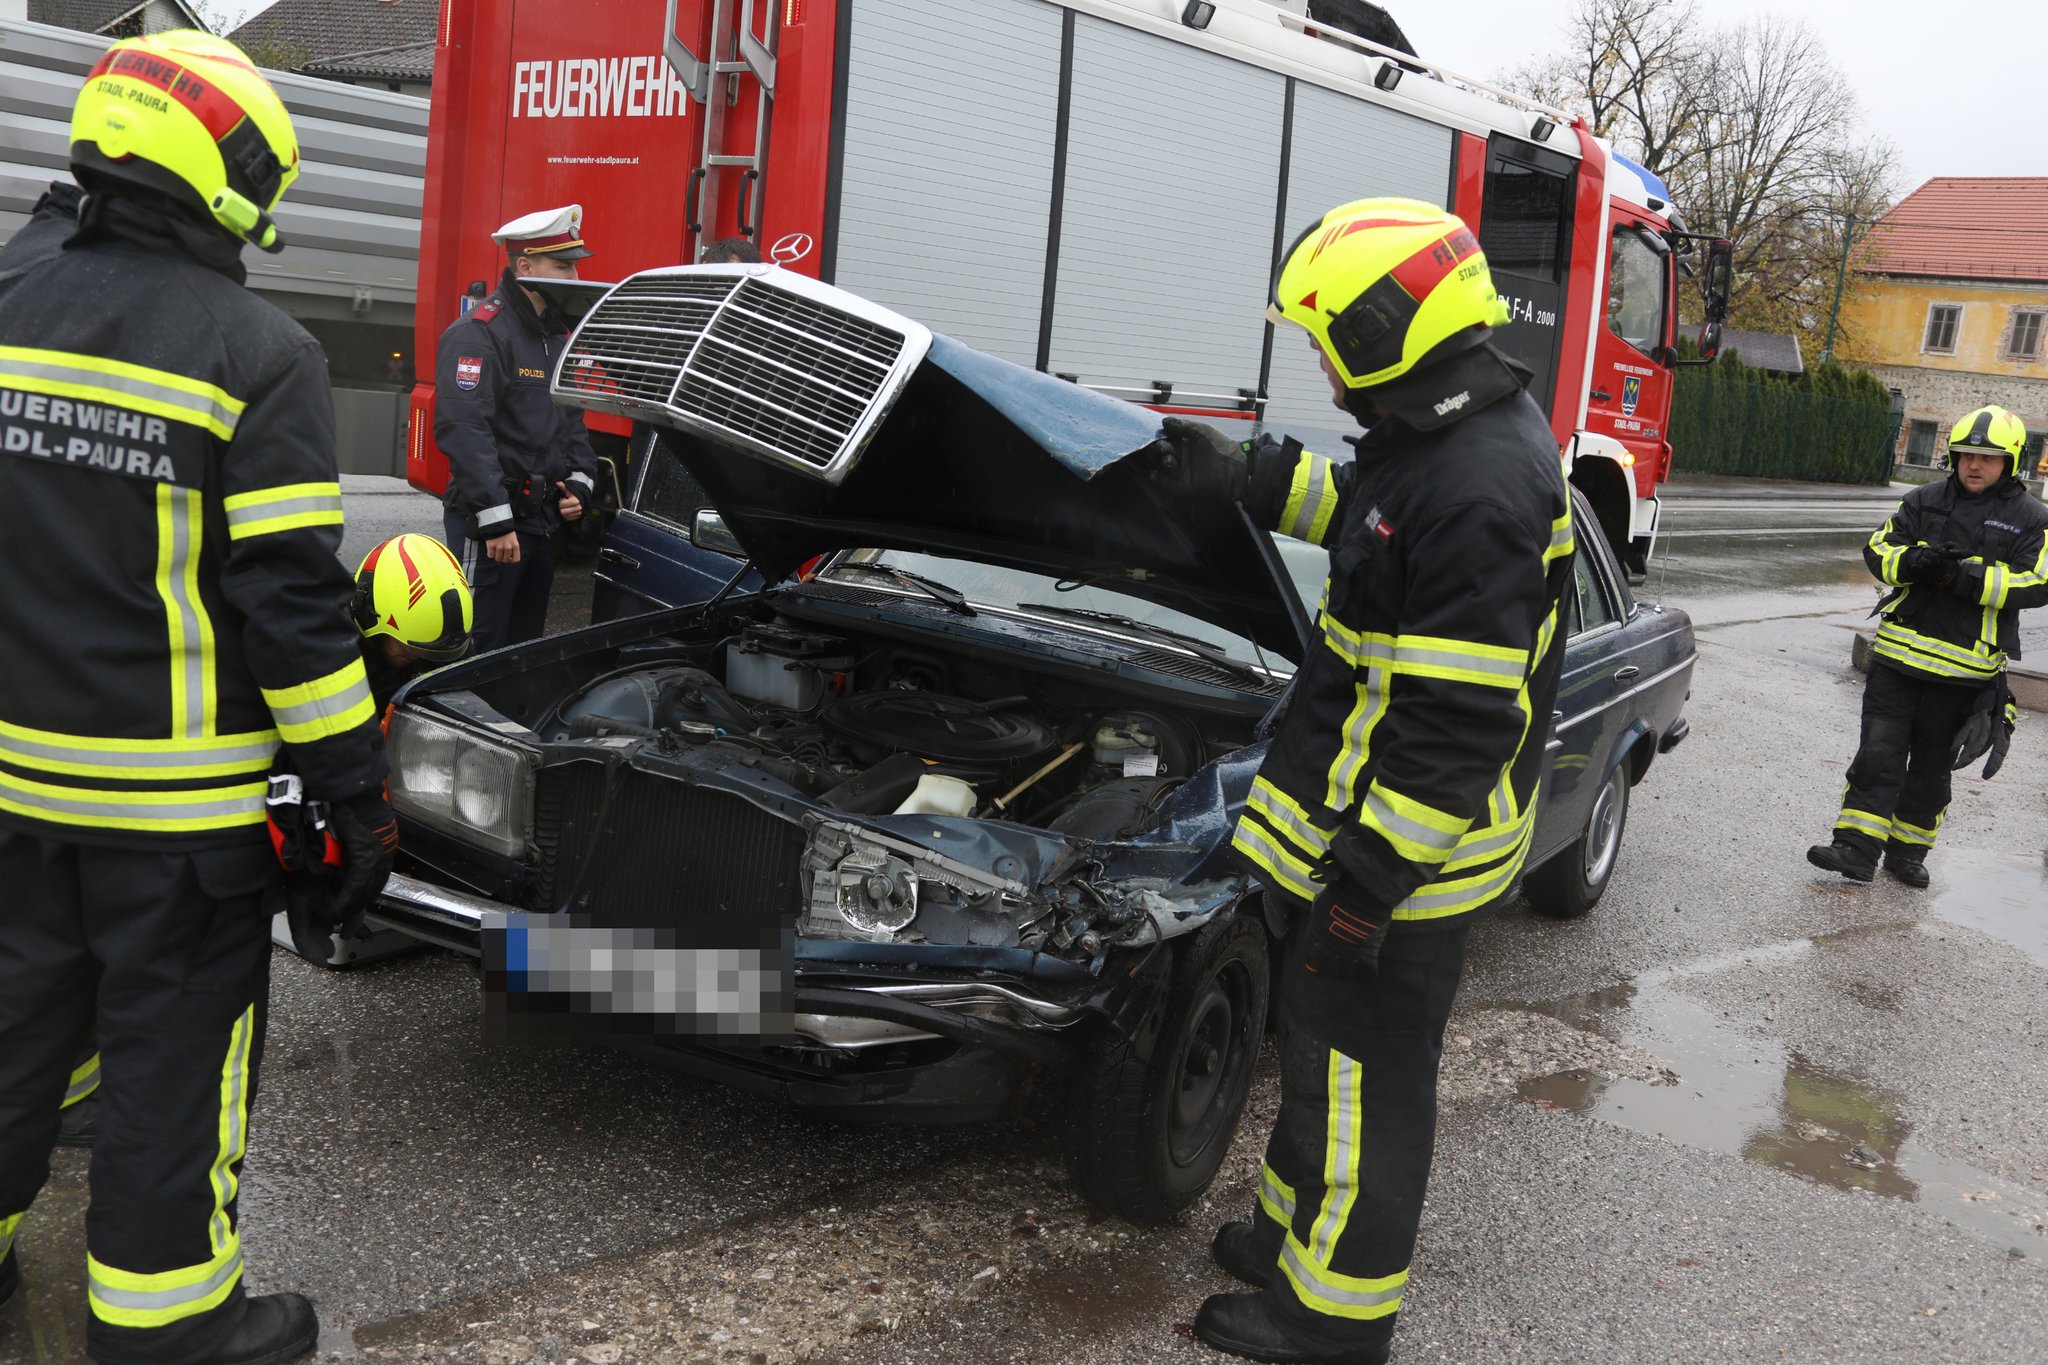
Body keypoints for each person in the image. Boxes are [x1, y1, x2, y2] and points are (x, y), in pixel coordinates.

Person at [0, 31, 397, 1363]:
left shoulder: (8, 293)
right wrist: (354, 785)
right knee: (172, 1065)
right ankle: (168, 1330)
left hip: (12, 783)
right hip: (178, 822)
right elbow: (289, 608)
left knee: (12, 1035)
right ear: (225, 173)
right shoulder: (258, 351)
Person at [1153, 198, 1574, 1365]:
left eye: (1328, 337)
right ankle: (1289, 1239)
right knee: (1319, 1058)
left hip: (1401, 864)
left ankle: (1329, 1320)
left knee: (1361, 1088)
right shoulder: (1441, 436)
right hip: (1360, 839)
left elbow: (1454, 724)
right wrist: (1256, 478)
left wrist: (1367, 883)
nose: (1318, 361)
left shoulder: (1479, 483)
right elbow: (1374, 532)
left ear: (1391, 328)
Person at [1807, 405, 2048, 886]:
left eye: (1988, 457)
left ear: (2011, 462)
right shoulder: (1923, 500)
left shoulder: (2032, 518)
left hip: (1964, 675)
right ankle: (1855, 848)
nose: (1974, 465)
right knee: (1877, 753)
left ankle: (1907, 854)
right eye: (1965, 455)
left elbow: (2037, 582)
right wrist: (1913, 561)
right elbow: (1878, 549)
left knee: (1932, 771)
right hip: (1896, 661)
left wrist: (1963, 576)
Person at [433, 204, 602, 654]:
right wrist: (495, 522)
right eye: (562, 267)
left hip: (540, 523)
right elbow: (464, 430)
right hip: (492, 525)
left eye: (575, 267)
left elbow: (572, 425)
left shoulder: (555, 337)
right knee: (473, 646)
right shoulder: (478, 334)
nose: (574, 278)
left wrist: (581, 489)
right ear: (524, 266)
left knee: (522, 652)